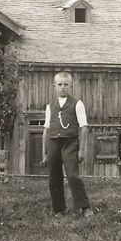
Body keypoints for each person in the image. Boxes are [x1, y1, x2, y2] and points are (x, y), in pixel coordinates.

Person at [42, 71, 94, 217]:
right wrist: (44, 153)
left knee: (72, 176)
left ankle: (84, 207)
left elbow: (84, 127)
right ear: (54, 86)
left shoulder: (77, 104)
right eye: (59, 85)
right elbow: (46, 130)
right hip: (53, 142)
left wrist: (82, 150)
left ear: (71, 86)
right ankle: (59, 209)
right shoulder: (50, 106)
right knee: (54, 177)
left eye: (66, 85)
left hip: (70, 142)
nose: (62, 87)